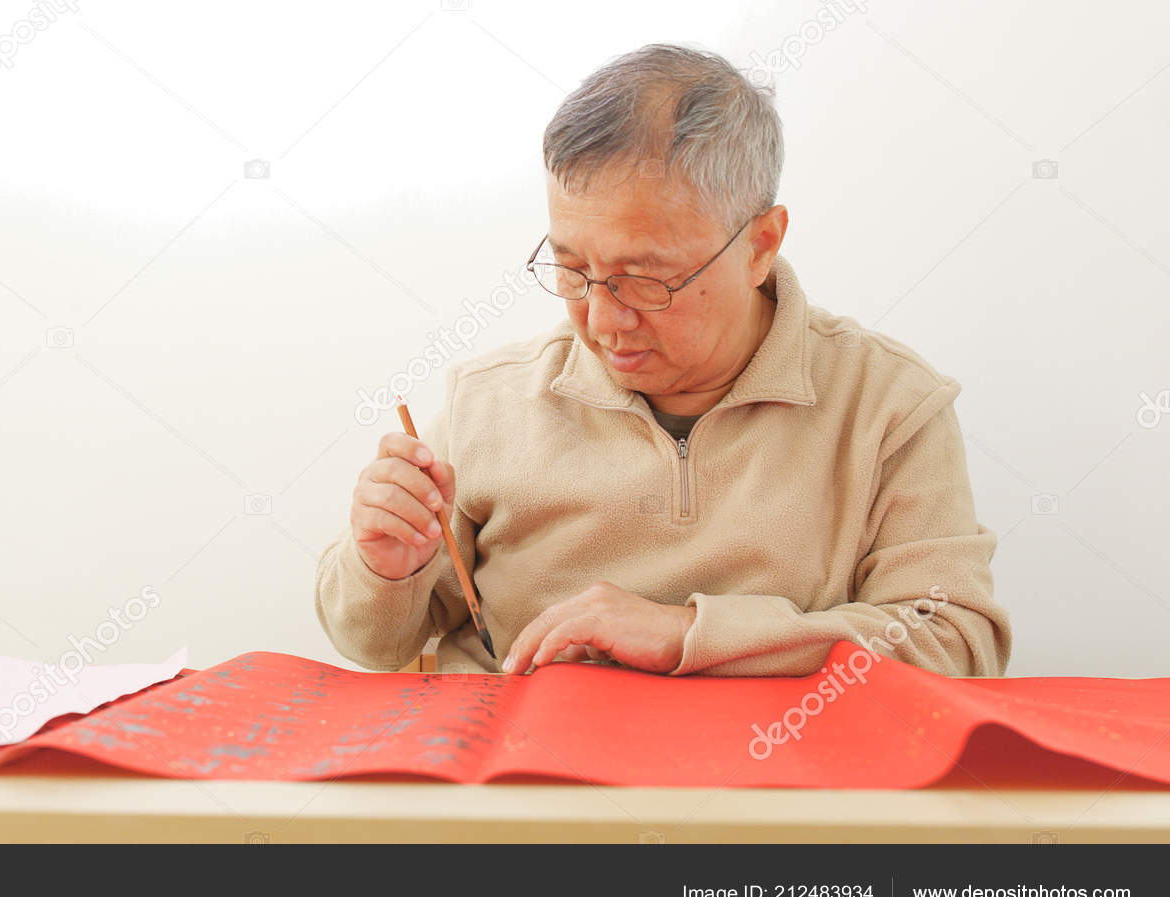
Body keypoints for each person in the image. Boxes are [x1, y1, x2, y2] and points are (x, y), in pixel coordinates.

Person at [315, 44, 1012, 678]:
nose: (602, 320)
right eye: (572, 269)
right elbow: (374, 645)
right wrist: (386, 570)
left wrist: (689, 635)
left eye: (646, 279)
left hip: (771, 774)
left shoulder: (889, 405)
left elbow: (954, 641)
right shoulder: (487, 404)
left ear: (760, 246)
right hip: (521, 769)